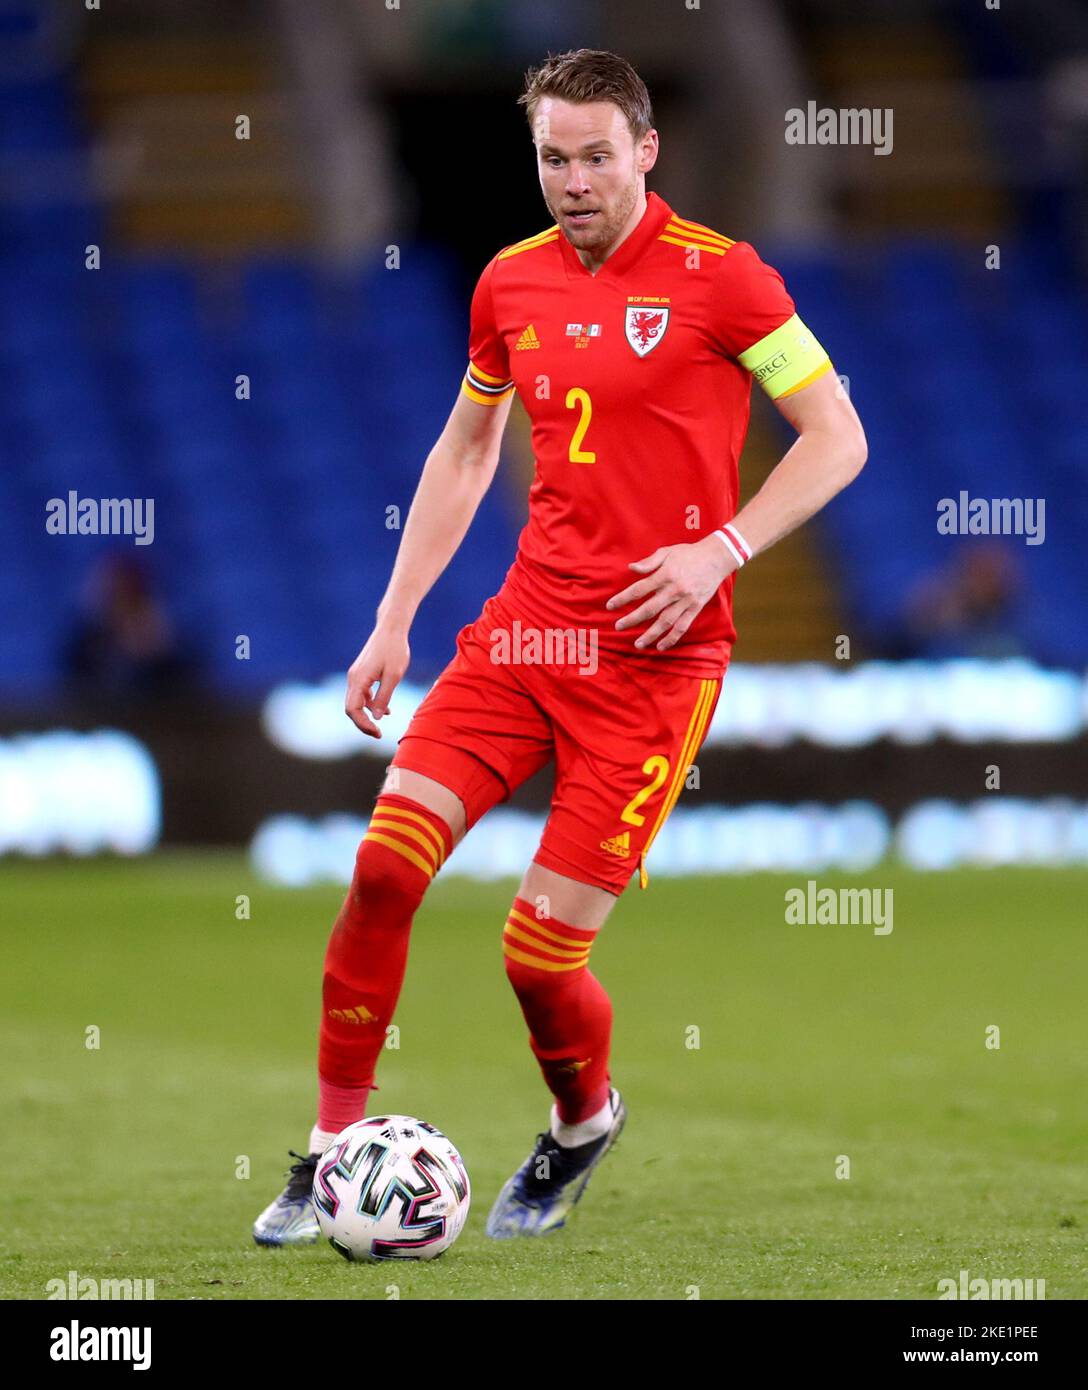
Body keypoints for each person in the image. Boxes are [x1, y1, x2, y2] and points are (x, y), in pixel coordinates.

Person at [254, 47, 867, 1246]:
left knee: (536, 957)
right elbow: (466, 452)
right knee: (382, 871)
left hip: (653, 662)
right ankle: (328, 1154)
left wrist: (719, 551)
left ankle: (581, 1120)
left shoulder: (725, 281)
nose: (573, 178)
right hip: (523, 636)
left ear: (646, 150)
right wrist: (393, 618)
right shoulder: (507, 284)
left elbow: (835, 436)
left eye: (596, 154)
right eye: (552, 157)